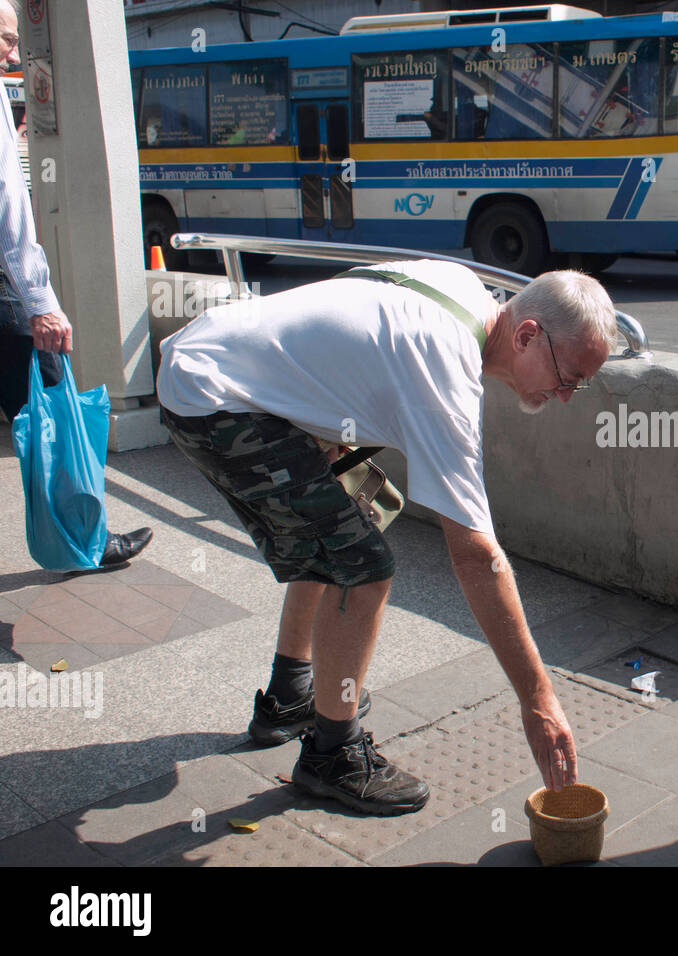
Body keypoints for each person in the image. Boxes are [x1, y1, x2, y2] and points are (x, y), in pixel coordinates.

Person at [155, 260, 618, 815]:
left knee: (346, 524)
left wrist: (317, 416)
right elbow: (476, 559)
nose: (565, 396)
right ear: (526, 336)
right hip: (214, 398)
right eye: (567, 379)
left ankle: (289, 694)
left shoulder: (461, 287)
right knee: (362, 566)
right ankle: (331, 754)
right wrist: (538, 701)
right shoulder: (447, 373)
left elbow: (354, 301)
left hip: (221, 362)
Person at [0, 0, 152, 569]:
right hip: (6, 297)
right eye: (7, 40)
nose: (15, 52)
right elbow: (9, 210)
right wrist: (41, 302)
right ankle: (81, 541)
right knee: (52, 410)